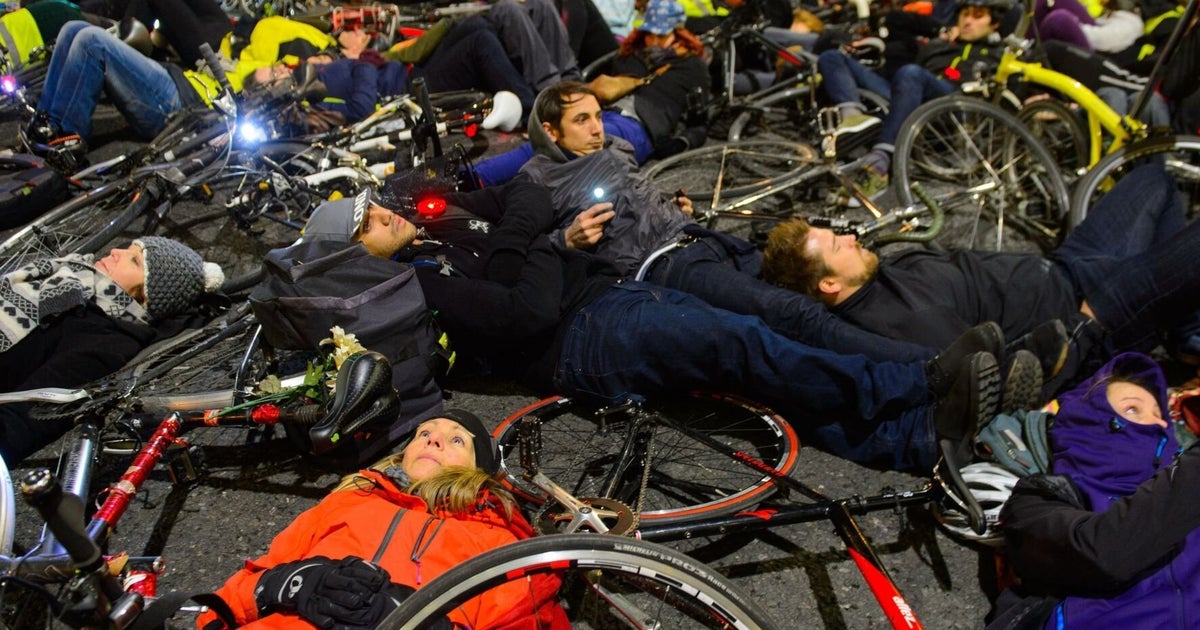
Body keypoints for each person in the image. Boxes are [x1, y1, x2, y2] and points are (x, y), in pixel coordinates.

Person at [292, 177, 1010, 471]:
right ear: (356, 254)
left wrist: (526, 240)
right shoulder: (421, 281)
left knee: (760, 376)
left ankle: (916, 440)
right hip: (587, 341)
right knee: (745, 344)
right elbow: (526, 310)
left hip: (611, 297)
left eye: (373, 205)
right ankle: (917, 383)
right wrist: (539, 243)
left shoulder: (440, 229)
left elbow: (527, 191)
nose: (383, 213)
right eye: (365, 224)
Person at [518, 80, 939, 365]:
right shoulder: (536, 178)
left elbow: (634, 196)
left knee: (811, 280)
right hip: (665, 264)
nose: (597, 128)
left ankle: (925, 333)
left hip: (697, 236)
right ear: (551, 132)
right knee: (791, 312)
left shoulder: (615, 146)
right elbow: (519, 250)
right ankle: (925, 365)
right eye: (582, 120)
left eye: (598, 115)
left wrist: (669, 206)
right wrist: (566, 239)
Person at [760, 163, 1200, 392]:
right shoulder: (902, 320)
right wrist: (1083, 327)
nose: (851, 237)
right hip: (1095, 308)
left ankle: (1186, 333)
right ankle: (1185, 329)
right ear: (829, 284)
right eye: (837, 246)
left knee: (1154, 178)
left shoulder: (876, 275)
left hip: (1071, 263)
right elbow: (1002, 377)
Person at [200, 409, 567, 629]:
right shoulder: (350, 500)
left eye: (457, 440)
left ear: (480, 470)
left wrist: (428, 623)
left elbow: (529, 619)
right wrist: (288, 583)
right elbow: (227, 603)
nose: (434, 440)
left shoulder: (499, 538)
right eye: (425, 432)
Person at [991, 351, 1199, 629]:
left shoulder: (1190, 507)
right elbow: (1105, 553)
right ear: (1088, 424)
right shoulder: (1041, 499)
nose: (1161, 425)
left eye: (1161, 416)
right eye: (1132, 409)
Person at [0, 237, 224, 464]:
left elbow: (28, 417)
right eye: (127, 249)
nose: (116, 251)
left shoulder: (107, 340)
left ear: (145, 296)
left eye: (134, 261)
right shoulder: (72, 277)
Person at [472, 0, 709, 186]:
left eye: (662, 35)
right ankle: (474, 178)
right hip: (602, 113)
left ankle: (474, 177)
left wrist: (682, 142)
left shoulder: (691, 66)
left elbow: (700, 123)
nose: (654, 40)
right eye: (650, 33)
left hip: (639, 125)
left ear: (679, 33)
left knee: (561, 149)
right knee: (551, 144)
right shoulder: (631, 55)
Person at [815, 0, 1007, 192]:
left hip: (953, 103)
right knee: (831, 57)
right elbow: (895, 19)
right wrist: (940, 31)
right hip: (907, 95)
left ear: (995, 24)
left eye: (977, 16)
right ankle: (853, 120)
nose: (968, 21)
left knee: (911, 72)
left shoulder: (999, 54)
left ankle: (882, 157)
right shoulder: (938, 44)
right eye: (965, 14)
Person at [246, 18, 538, 124]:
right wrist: (364, 63)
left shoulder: (310, 73)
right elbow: (361, 108)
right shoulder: (311, 101)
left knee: (475, 24)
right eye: (273, 74)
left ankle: (526, 86)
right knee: (480, 42)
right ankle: (531, 112)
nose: (280, 68)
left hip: (409, 70)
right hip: (410, 89)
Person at [23, 20, 235, 152]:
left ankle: (65, 141)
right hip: (183, 79)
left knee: (91, 42)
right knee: (72, 28)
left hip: (190, 104)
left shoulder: (257, 57)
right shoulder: (245, 40)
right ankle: (45, 123)